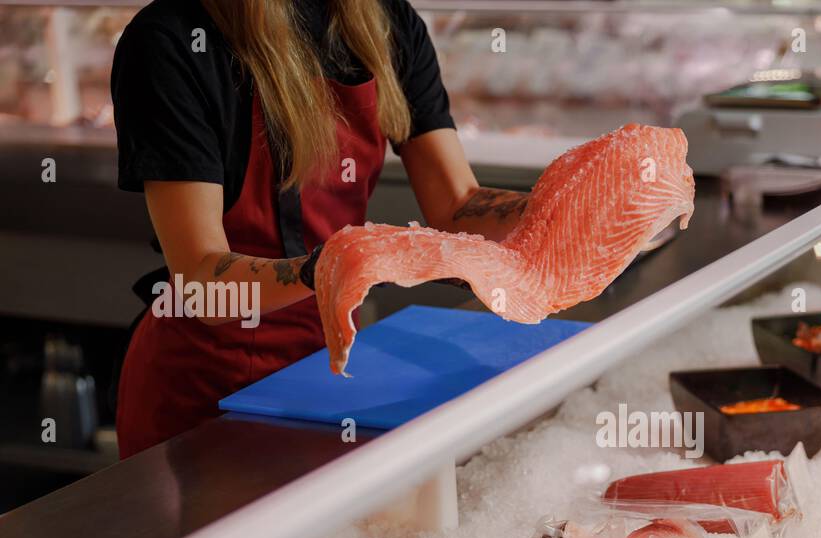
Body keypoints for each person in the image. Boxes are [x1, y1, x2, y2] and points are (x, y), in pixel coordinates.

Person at [111, 0, 528, 457]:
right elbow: (199, 281)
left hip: (322, 365)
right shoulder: (171, 40)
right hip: (204, 390)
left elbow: (457, 203)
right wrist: (329, 267)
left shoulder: (385, 20)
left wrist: (561, 203)